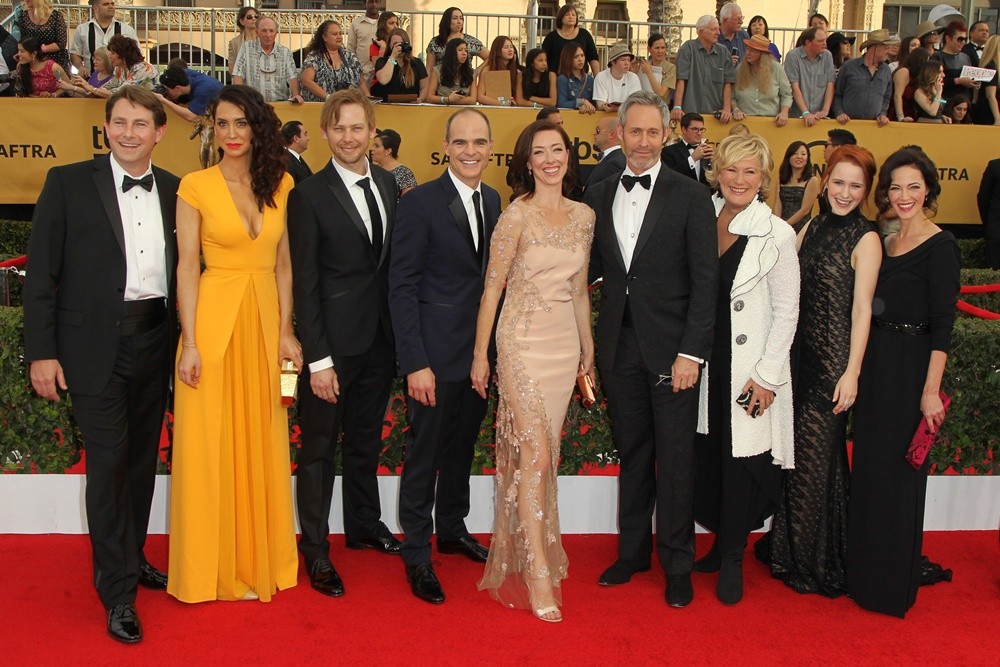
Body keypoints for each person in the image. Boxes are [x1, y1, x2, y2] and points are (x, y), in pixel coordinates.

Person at [23, 86, 177, 644]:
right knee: (109, 466)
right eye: (120, 123)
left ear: (160, 132)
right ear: (106, 128)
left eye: (141, 124)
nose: (129, 133)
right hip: (90, 351)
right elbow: (40, 277)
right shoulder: (67, 184)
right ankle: (117, 592)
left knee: (139, 463)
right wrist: (42, 352)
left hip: (155, 343)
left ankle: (131, 557)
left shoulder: (176, 191)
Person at [585, 91, 718, 607]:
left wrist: (692, 353)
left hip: (673, 354)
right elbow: (593, 270)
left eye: (651, 132)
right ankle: (633, 552)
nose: (642, 143)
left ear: (667, 134)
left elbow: (705, 284)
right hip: (620, 349)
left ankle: (678, 564)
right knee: (635, 454)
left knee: (677, 460)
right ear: (620, 132)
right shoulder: (599, 192)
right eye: (633, 132)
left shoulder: (690, 196)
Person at [169, 84, 300, 604]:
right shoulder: (194, 186)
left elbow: (285, 263)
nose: (231, 135)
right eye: (221, 124)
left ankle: (255, 560)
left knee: (262, 439)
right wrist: (191, 341)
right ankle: (210, 568)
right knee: (208, 446)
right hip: (214, 323)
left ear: (257, 127)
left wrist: (287, 330)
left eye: (240, 124)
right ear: (211, 128)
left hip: (265, 322)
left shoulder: (282, 183)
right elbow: (186, 267)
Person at [473, 119, 595, 623]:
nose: (550, 159)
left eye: (557, 150)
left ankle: (542, 548)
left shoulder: (584, 215)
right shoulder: (515, 217)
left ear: (569, 156)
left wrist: (588, 350)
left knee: (548, 454)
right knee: (536, 456)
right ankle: (537, 569)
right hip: (521, 343)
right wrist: (481, 355)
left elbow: (582, 290)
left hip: (565, 345)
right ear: (527, 162)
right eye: (539, 152)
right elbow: (491, 291)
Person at [287, 89, 402, 599]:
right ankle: (314, 549)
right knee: (317, 451)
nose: (349, 137)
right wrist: (319, 359)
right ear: (327, 132)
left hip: (379, 341)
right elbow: (305, 285)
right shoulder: (307, 194)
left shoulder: (388, 184)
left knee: (363, 441)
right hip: (331, 348)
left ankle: (363, 524)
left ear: (371, 132)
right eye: (339, 128)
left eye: (358, 128)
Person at [388, 109, 501, 604]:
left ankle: (452, 529)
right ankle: (416, 552)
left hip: (478, 355)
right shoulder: (419, 203)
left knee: (460, 449)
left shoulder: (494, 200)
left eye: (479, 142)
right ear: (446, 146)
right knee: (424, 455)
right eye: (461, 142)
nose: (470, 151)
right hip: (433, 357)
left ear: (490, 145)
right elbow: (402, 286)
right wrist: (415, 361)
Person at [847, 147, 960, 618]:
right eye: (896, 186)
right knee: (870, 471)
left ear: (929, 190)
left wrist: (930, 390)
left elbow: (942, 325)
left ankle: (891, 586)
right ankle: (864, 574)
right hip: (877, 367)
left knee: (900, 478)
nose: (904, 195)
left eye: (914, 186)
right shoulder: (886, 240)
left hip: (912, 369)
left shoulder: (942, 245)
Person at [766, 145, 881, 597]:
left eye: (856, 185)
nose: (845, 193)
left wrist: (852, 372)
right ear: (824, 182)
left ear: (866, 190)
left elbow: (862, 311)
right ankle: (811, 547)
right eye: (838, 182)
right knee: (809, 463)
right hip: (800, 359)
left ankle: (811, 562)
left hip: (833, 366)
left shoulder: (866, 238)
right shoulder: (811, 226)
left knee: (813, 461)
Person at [692, 133, 799, 605]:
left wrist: (768, 376)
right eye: (731, 169)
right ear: (719, 172)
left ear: (763, 179)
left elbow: (788, 310)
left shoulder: (777, 232)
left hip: (748, 370)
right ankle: (719, 542)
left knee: (742, 464)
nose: (739, 179)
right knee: (710, 457)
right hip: (702, 364)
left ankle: (733, 556)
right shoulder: (701, 216)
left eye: (749, 172)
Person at [672, 15, 736, 123]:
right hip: (690, 113)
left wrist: (726, 108)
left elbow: (728, 83)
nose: (718, 33)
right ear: (701, 31)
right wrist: (677, 107)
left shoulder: (724, 52)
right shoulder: (688, 48)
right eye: (713, 29)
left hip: (716, 115)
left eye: (718, 29)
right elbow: (681, 79)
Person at [832, 29, 897, 126]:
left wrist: (882, 114)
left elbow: (886, 97)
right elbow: (837, 94)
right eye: (885, 48)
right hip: (847, 124)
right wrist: (839, 112)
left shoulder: (886, 70)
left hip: (873, 127)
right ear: (875, 47)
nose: (888, 51)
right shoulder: (849, 67)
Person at [233, 17, 303, 104]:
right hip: (253, 104)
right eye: (264, 31)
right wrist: (240, 98)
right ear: (257, 32)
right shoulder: (246, 48)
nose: (268, 35)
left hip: (280, 104)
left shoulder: (285, 52)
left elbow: (292, 77)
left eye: (271, 31)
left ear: (276, 33)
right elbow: (238, 75)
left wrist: (296, 95)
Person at [300, 20, 368, 102]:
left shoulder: (350, 57)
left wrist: (369, 99)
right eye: (335, 34)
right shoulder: (314, 57)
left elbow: (361, 81)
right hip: (320, 107)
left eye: (340, 33)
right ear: (324, 37)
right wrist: (329, 98)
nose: (339, 37)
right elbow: (306, 80)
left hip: (345, 107)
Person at [731, 35, 791, 126]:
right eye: (747, 49)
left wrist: (784, 112)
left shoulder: (776, 68)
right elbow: (731, 95)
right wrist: (736, 110)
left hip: (771, 122)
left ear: (762, 54)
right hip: (744, 121)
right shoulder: (740, 69)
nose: (748, 53)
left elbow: (786, 94)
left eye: (753, 50)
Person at [69, 0, 138, 78]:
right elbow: (75, 53)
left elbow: (136, 54)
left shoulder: (127, 30)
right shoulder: (82, 29)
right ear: (96, 8)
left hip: (120, 81)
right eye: (106, 4)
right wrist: (80, 67)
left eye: (112, 4)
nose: (111, 7)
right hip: (91, 80)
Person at [784, 27, 835, 125]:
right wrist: (805, 112)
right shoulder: (793, 56)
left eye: (825, 40)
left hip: (819, 118)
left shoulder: (827, 56)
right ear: (808, 42)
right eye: (820, 41)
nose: (825, 44)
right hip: (797, 117)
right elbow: (794, 86)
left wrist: (825, 110)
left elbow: (830, 84)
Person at [542, 4, 600, 77]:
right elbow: (544, 58)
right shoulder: (551, 37)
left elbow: (593, 58)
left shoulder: (584, 34)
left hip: (580, 79)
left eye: (573, 15)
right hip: (557, 78)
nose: (571, 17)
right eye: (567, 15)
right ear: (561, 17)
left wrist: (597, 78)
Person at [371, 28, 428, 103]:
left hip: (411, 106)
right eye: (395, 44)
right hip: (387, 106)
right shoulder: (382, 62)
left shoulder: (416, 63)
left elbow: (425, 86)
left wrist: (420, 99)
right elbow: (383, 80)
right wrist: (392, 57)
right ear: (390, 45)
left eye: (402, 44)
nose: (399, 47)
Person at [775, 141, 821, 230]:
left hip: (801, 227)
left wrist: (785, 226)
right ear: (788, 157)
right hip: (781, 227)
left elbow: (805, 210)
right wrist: (777, 224)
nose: (799, 156)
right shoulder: (781, 179)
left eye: (803, 154)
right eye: (795, 153)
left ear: (807, 158)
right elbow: (777, 204)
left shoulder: (812, 180)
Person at [424, 7, 487, 72]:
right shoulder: (436, 42)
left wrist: (477, 70)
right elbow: (429, 68)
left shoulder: (471, 42)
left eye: (461, 18)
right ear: (447, 21)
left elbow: (491, 57)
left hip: (465, 80)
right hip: (441, 80)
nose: (459, 21)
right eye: (455, 18)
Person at [660, 112, 712, 187]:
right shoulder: (669, 152)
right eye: (695, 129)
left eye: (701, 129)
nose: (699, 133)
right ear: (684, 129)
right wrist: (692, 159)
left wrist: (714, 162)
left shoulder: (706, 151)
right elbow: (669, 177)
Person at [156, 65, 224, 123]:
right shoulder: (185, 73)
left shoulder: (203, 90)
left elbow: (191, 116)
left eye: (167, 89)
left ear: (177, 88)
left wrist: (163, 100)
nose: (166, 92)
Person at [16, 0, 69, 72]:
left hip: (55, 59)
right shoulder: (23, 16)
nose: (25, 1)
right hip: (32, 60)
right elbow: (24, 41)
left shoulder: (56, 16)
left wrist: (43, 49)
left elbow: (61, 43)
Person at [933, 20, 976, 102]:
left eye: (965, 39)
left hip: (964, 102)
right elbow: (934, 82)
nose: (963, 42)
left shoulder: (965, 57)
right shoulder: (937, 56)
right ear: (948, 38)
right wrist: (959, 81)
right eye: (960, 39)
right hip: (946, 101)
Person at [592, 42, 641, 112]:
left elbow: (636, 105)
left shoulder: (633, 78)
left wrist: (616, 109)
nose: (627, 63)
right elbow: (600, 105)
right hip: (606, 119)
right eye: (623, 60)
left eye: (629, 60)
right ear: (613, 62)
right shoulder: (601, 77)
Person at [427, 37, 476, 106]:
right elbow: (429, 97)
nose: (464, 53)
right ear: (451, 52)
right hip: (442, 110)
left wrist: (453, 101)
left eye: (466, 50)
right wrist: (447, 99)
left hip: (463, 112)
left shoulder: (471, 72)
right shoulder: (437, 70)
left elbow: (473, 99)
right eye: (460, 50)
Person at [371, 128, 416, 198]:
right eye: (373, 145)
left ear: (388, 151)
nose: (372, 149)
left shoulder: (404, 173)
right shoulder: (371, 170)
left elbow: (409, 202)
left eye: (377, 146)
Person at [634, 33, 676, 105]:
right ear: (649, 49)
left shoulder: (670, 68)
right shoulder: (643, 66)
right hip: (643, 105)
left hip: (661, 107)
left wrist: (649, 72)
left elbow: (661, 93)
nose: (660, 51)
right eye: (657, 48)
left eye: (663, 48)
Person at [477, 36, 520, 106]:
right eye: (506, 47)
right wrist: (501, 103)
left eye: (511, 47)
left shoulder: (517, 72)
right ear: (497, 51)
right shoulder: (487, 70)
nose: (510, 50)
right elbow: (480, 97)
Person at [893, 48, 931, 122]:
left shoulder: (915, 77)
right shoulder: (904, 71)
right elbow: (897, 95)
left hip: (911, 114)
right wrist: (900, 117)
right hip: (898, 114)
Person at [556, 43, 596, 113]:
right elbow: (561, 104)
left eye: (582, 55)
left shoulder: (590, 79)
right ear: (567, 58)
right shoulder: (562, 79)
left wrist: (587, 106)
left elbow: (594, 103)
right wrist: (581, 102)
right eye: (576, 57)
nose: (580, 59)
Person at [586, 114, 624, 187]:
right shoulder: (612, 159)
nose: (594, 133)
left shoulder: (615, 163)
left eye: (598, 130)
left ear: (612, 134)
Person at [970, 36, 1000, 125]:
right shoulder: (991, 67)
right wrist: (998, 118)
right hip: (988, 114)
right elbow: (990, 95)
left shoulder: (987, 65)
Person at [348, 0, 380, 79]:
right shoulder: (356, 24)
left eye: (377, 1)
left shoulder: (385, 23)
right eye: (370, 2)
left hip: (382, 73)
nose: (374, 5)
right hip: (362, 74)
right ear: (364, 3)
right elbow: (351, 49)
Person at [977, 157, 1000, 268]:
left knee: (993, 280)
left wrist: (989, 223)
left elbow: (983, 198)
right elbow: (983, 198)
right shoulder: (995, 166)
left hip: (995, 231)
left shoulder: (995, 166)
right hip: (995, 233)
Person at [227, 6, 257, 76]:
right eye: (249, 17)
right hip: (242, 81)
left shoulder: (264, 38)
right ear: (242, 21)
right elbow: (231, 66)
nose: (253, 19)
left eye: (256, 17)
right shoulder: (234, 42)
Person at [281, 120, 312, 184]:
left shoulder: (294, 158)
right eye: (305, 134)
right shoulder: (286, 162)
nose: (308, 138)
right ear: (296, 138)